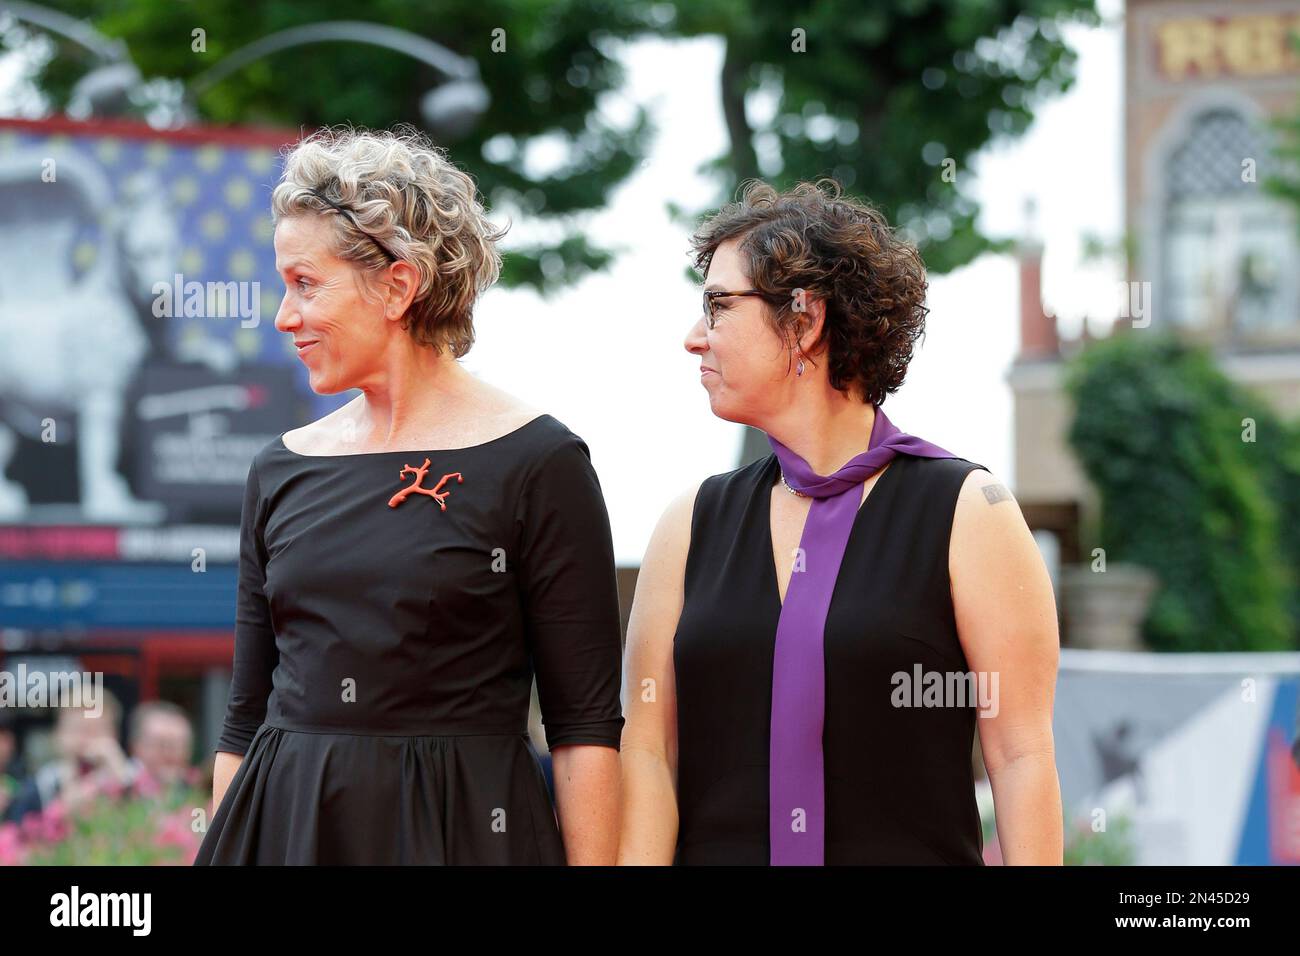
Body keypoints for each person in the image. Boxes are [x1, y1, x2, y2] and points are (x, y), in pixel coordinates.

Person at [194, 127, 624, 865]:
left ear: (397, 285)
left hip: (464, 834)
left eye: (306, 284)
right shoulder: (280, 468)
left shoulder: (540, 462)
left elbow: (583, 727)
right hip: (287, 831)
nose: (283, 317)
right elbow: (243, 718)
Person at [618, 180, 1063, 865]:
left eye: (719, 307)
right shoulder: (690, 525)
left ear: (804, 320)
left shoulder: (970, 513)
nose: (693, 338)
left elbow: (1022, 755)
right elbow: (650, 752)